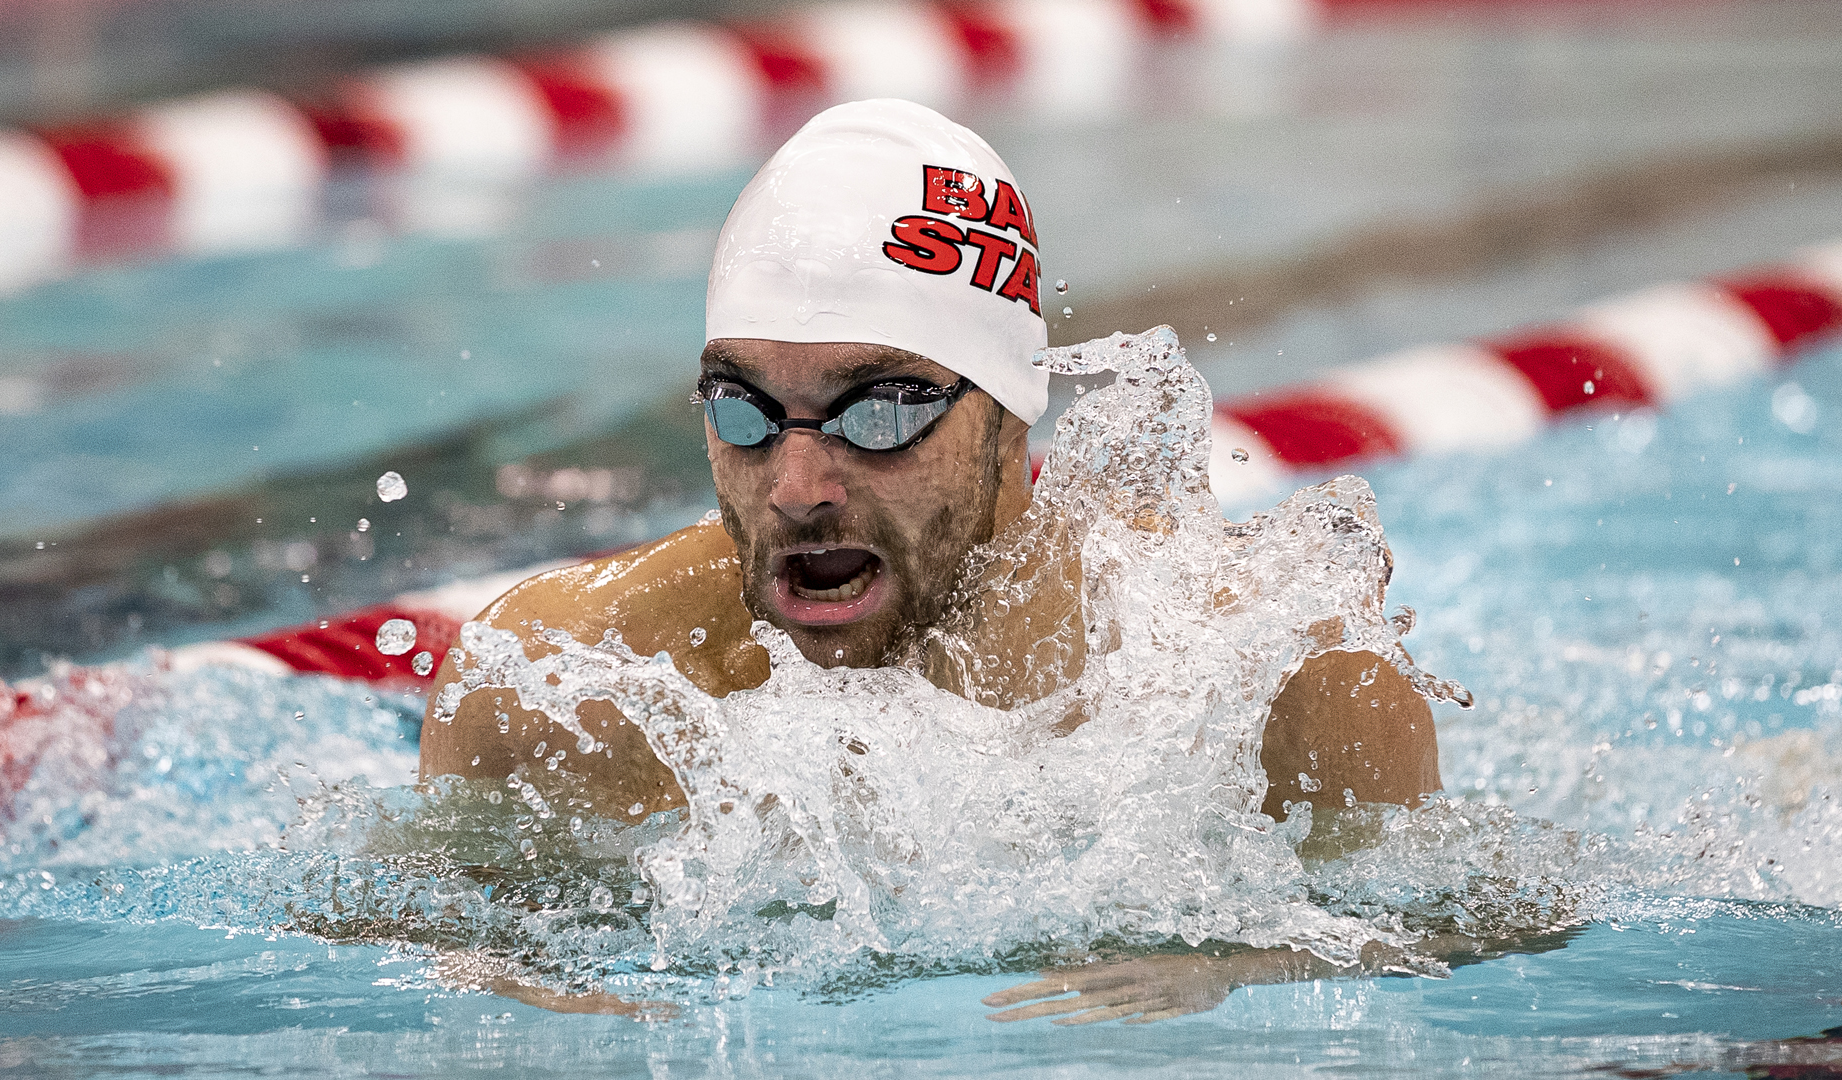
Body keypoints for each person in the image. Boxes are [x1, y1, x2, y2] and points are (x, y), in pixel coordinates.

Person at [421, 98, 1446, 1021]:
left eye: (882, 411)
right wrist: (506, 998)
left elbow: (1458, 930)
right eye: (744, 411)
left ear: (1008, 415)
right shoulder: (559, 683)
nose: (796, 486)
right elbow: (408, 939)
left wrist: (1243, 975)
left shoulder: (1267, 671)